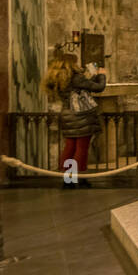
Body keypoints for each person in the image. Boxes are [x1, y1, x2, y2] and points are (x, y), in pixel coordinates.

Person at [43, 52, 107, 189]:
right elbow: (98, 87)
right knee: (81, 148)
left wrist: (92, 76)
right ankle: (80, 178)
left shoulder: (59, 78)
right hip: (81, 116)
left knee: (70, 147)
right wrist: (101, 74)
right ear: (71, 63)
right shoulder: (76, 78)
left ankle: (67, 180)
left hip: (67, 115)